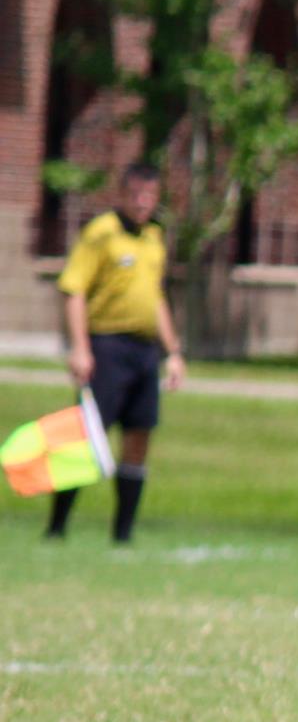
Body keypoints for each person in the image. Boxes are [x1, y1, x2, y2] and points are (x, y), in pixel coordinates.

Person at [50, 163, 185, 543]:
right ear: (122, 194)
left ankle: (122, 535)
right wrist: (80, 348)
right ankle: (57, 527)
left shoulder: (155, 237)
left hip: (144, 352)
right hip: (106, 346)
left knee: (139, 436)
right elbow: (73, 289)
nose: (143, 202)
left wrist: (172, 351)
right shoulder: (101, 233)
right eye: (136, 194)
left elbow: (156, 297)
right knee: (87, 437)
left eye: (150, 195)